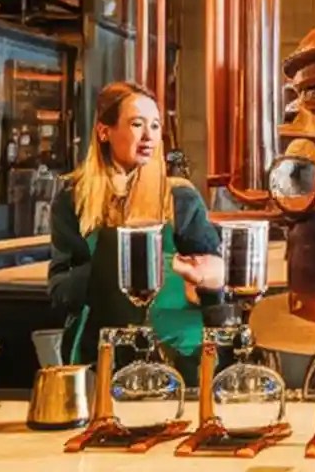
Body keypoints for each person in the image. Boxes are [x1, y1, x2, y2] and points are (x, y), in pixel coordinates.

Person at [47, 81, 225, 384]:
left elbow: (216, 285)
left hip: (182, 355)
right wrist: (113, 259)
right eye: (137, 124)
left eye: (155, 126)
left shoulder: (180, 199)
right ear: (105, 132)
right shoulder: (72, 199)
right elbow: (61, 292)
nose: (149, 136)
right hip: (101, 355)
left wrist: (209, 277)